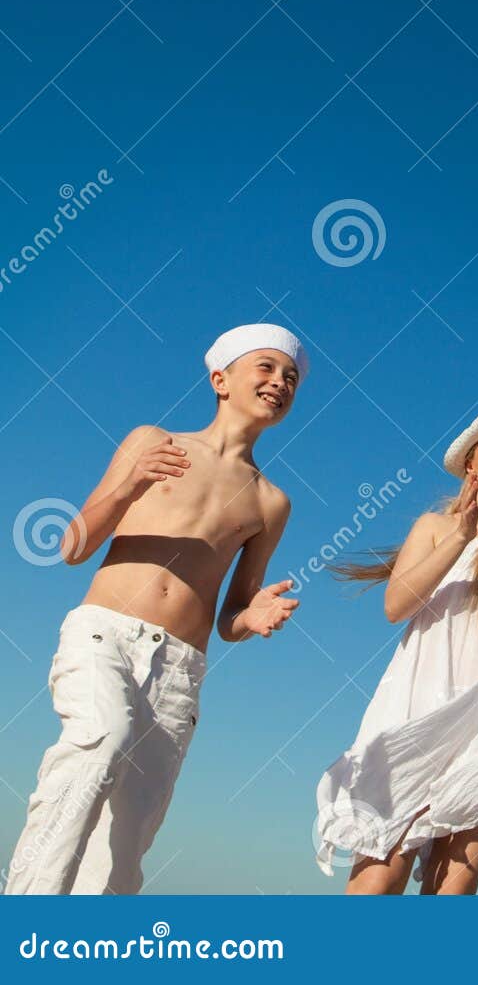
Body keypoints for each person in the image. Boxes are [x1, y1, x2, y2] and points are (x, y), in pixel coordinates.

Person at [4, 324, 305, 894]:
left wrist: (253, 616)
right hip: (104, 637)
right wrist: (129, 486)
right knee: (100, 744)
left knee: (126, 842)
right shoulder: (155, 441)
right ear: (220, 379)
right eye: (265, 367)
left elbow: (231, 615)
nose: (280, 381)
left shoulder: (272, 501)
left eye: (290, 376)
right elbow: (73, 547)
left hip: (181, 671)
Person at [315, 406, 478, 894]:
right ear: (471, 466)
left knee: (449, 893)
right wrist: (461, 534)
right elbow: (396, 605)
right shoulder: (434, 528)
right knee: (377, 881)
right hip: (414, 715)